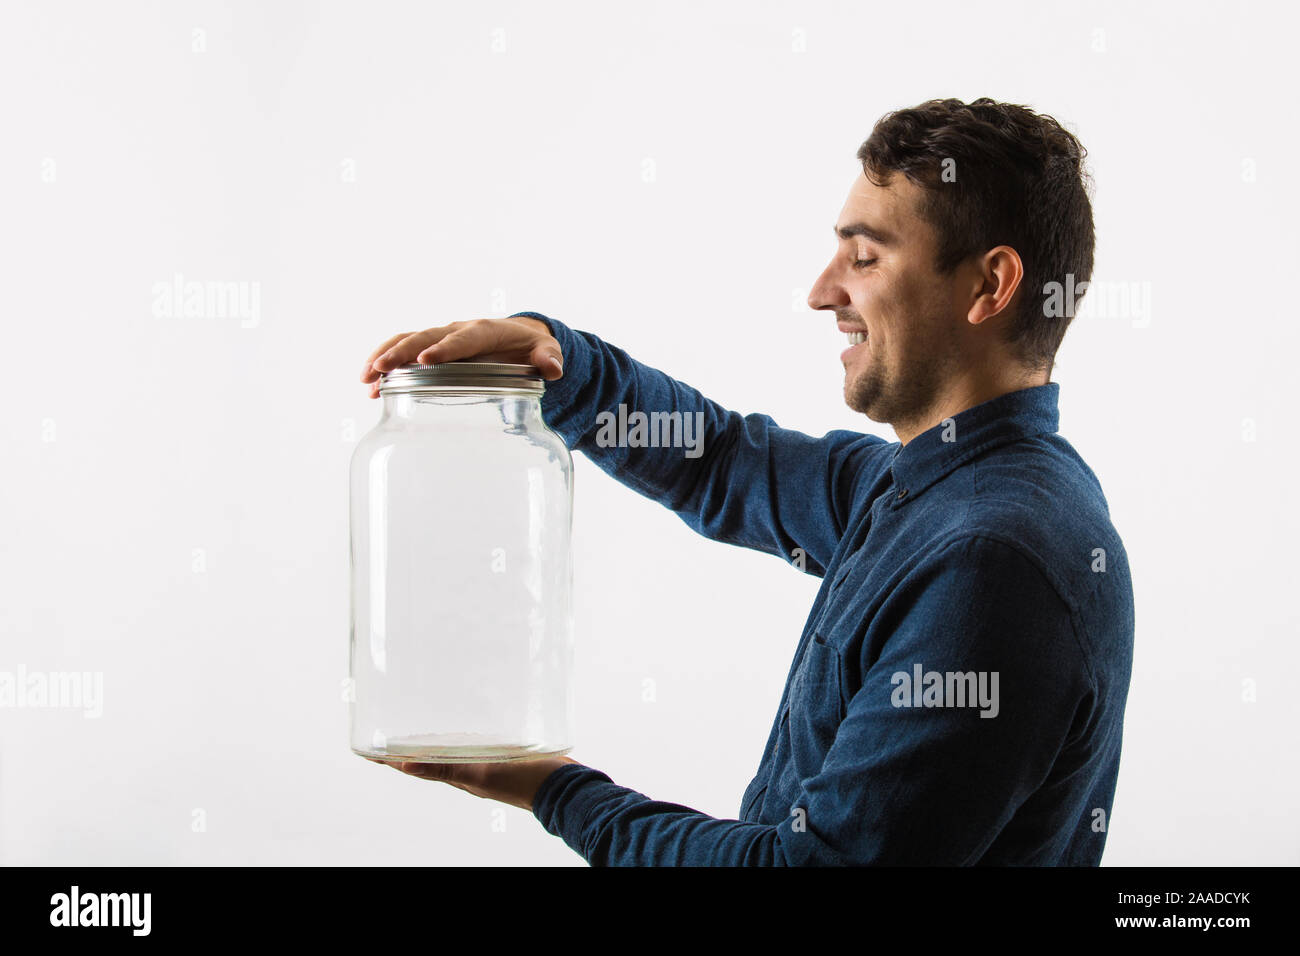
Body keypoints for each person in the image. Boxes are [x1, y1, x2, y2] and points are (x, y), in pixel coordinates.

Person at [359, 97, 1135, 866]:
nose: (822, 292)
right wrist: (562, 361)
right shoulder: (932, 491)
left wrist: (557, 792)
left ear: (990, 285)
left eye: (864, 258)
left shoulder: (992, 562)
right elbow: (726, 462)